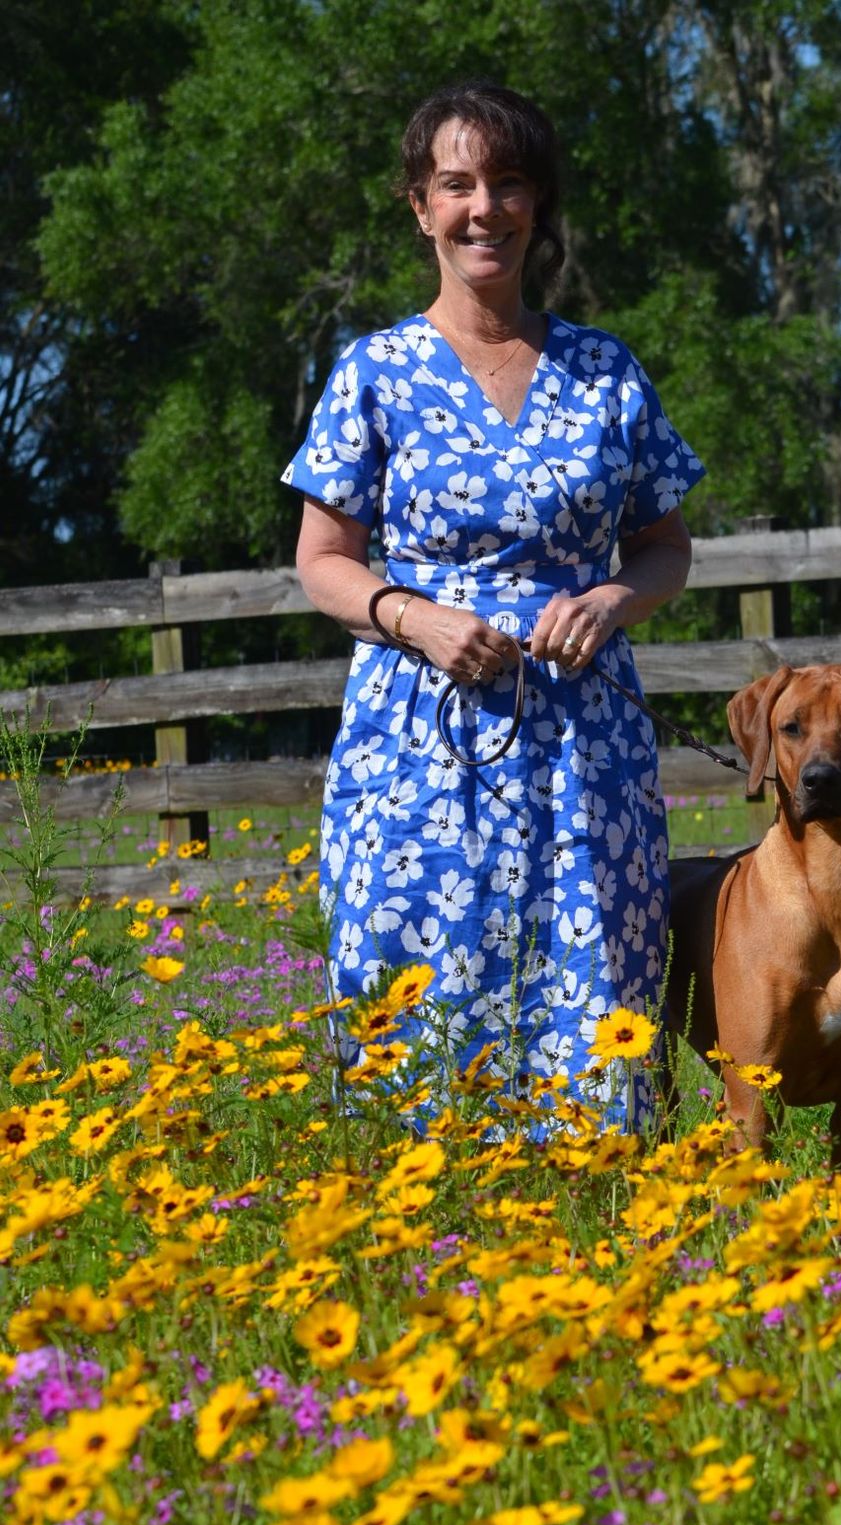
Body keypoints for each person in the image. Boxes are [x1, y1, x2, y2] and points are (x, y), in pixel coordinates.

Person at [283, 82, 704, 1132]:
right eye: (457, 184)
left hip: (583, 741)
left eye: (508, 183)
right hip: (419, 733)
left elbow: (665, 548)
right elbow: (322, 561)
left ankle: (601, 1218)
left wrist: (611, 596)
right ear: (419, 206)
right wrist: (412, 617)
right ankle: (418, 1212)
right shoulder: (372, 373)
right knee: (416, 960)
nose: (485, 208)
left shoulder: (605, 371)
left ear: (537, 203)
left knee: (595, 964)